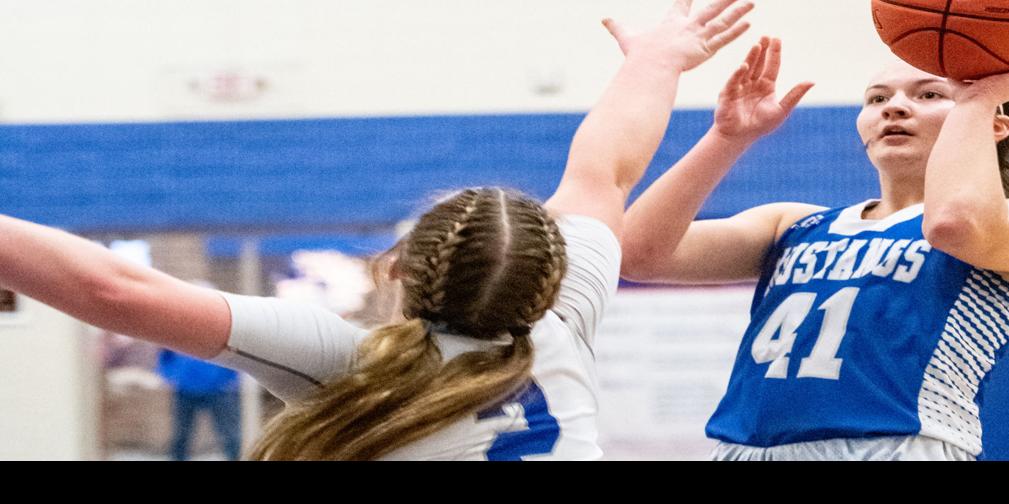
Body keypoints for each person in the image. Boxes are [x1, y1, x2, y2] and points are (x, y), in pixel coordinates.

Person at [0, 0, 755, 461]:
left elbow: (112, 287)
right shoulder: (562, 322)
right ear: (549, 279)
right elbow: (606, 170)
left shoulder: (344, 359)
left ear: (397, 268)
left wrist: (656, 60)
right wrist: (661, 61)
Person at [620, 38, 1009, 460]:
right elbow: (639, 254)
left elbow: (952, 224)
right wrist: (726, 139)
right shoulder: (794, 222)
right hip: (746, 447)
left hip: (894, 444)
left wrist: (974, 100)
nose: (895, 107)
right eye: (878, 98)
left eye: (929, 95)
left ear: (996, 125)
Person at [157, 348, 242, 460]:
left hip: (218, 389)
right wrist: (171, 376)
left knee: (230, 434)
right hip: (184, 389)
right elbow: (165, 355)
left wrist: (228, 380)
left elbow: (233, 357)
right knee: (181, 434)